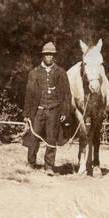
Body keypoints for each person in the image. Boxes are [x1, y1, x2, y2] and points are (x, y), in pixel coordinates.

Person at [22, 42, 72, 171]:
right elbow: (29, 94)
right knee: (34, 136)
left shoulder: (61, 73)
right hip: (38, 110)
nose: (49, 57)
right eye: (47, 54)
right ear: (42, 56)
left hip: (54, 110)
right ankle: (31, 162)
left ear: (54, 56)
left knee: (51, 138)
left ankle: (49, 166)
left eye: (51, 55)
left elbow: (66, 94)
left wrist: (65, 112)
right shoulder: (34, 73)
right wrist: (26, 115)